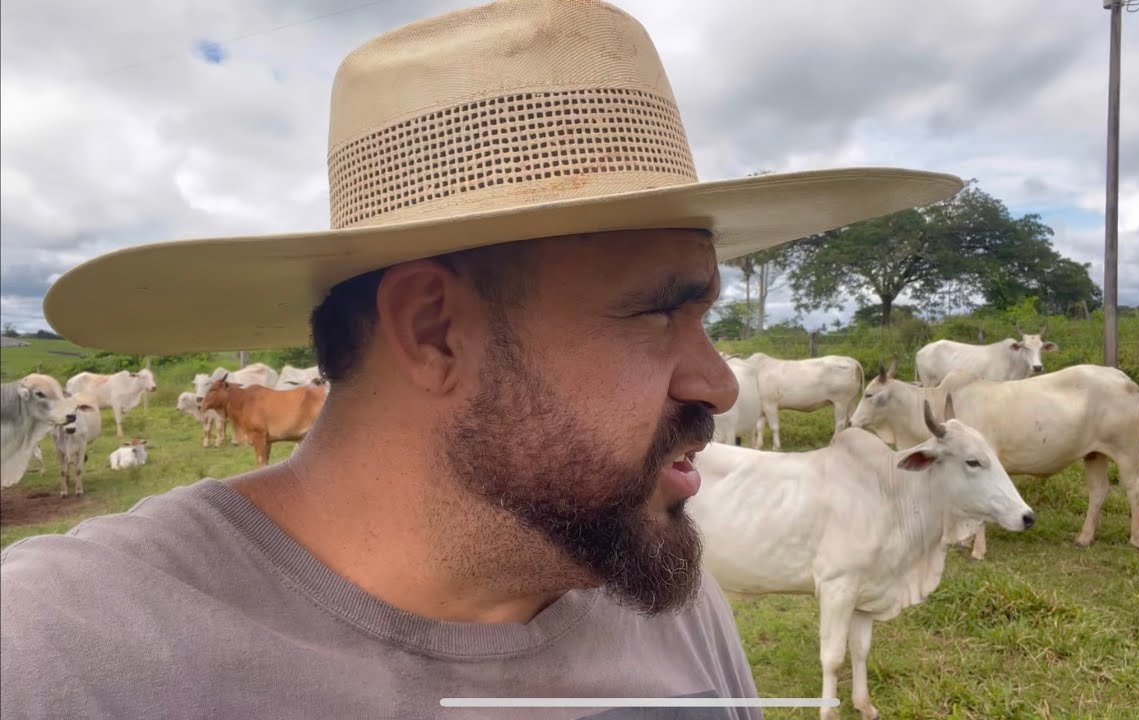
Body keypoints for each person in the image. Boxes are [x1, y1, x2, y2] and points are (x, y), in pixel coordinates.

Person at [2, 1, 961, 718]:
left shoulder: (661, 592)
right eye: (659, 312)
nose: (716, 381)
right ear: (434, 330)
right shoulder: (65, 658)